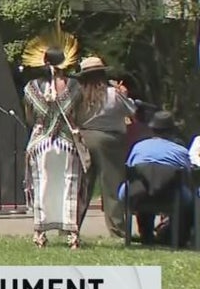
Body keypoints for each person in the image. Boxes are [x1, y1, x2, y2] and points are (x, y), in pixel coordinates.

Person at [20, 30, 86, 249]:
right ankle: (72, 235)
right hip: (67, 144)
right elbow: (79, 114)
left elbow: (30, 117)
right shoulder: (75, 87)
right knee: (69, 184)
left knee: (42, 185)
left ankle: (40, 233)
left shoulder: (31, 88)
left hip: (40, 144)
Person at [75, 56, 135, 237]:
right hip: (110, 140)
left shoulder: (77, 95)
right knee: (112, 186)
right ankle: (117, 229)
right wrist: (125, 94)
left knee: (81, 186)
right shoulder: (113, 94)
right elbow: (132, 111)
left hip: (84, 138)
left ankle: (71, 226)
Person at [118, 111, 197, 245]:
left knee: (143, 185)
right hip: (170, 196)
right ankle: (178, 235)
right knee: (190, 196)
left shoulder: (138, 147)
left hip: (136, 194)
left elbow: (130, 167)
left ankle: (146, 234)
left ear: (152, 129)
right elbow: (187, 176)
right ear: (172, 131)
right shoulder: (180, 151)